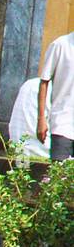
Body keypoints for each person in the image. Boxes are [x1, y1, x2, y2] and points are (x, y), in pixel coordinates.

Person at [37, 28, 74, 162]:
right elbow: (44, 82)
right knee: (59, 175)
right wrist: (41, 119)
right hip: (62, 122)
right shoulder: (60, 45)